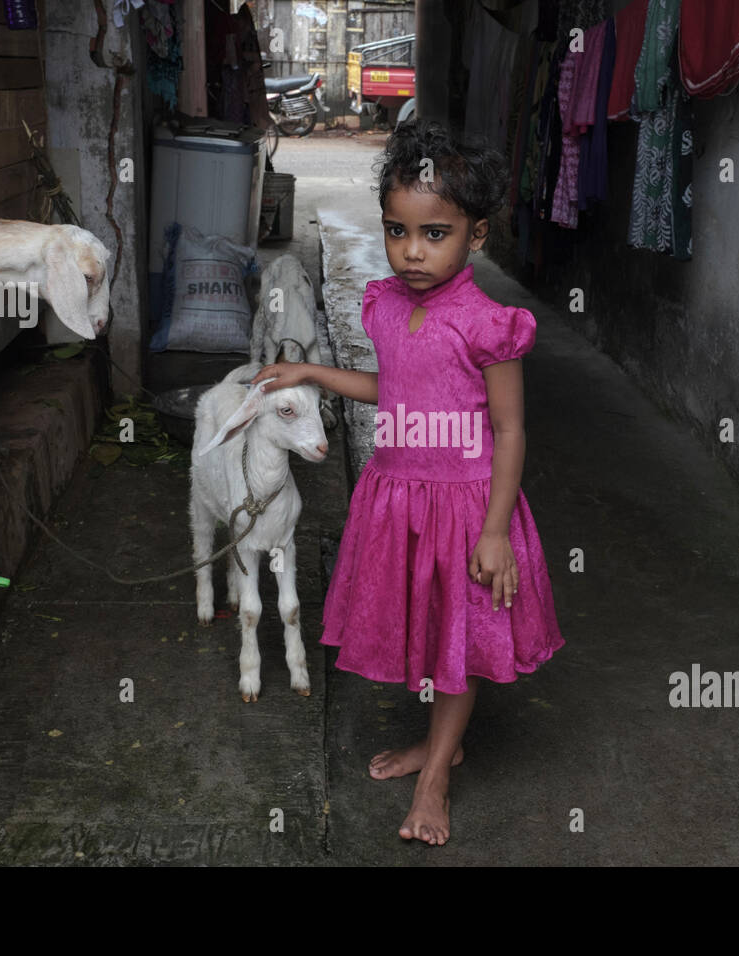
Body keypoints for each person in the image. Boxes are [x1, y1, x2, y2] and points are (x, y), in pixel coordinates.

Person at [252, 120, 565, 845]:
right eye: (398, 231)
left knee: (461, 634)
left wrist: (494, 532)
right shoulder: (387, 304)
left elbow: (511, 430)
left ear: (476, 236)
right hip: (399, 496)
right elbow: (392, 390)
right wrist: (311, 373)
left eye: (435, 233)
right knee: (428, 631)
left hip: (467, 506)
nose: (412, 251)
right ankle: (438, 740)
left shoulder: (489, 325)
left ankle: (435, 780)